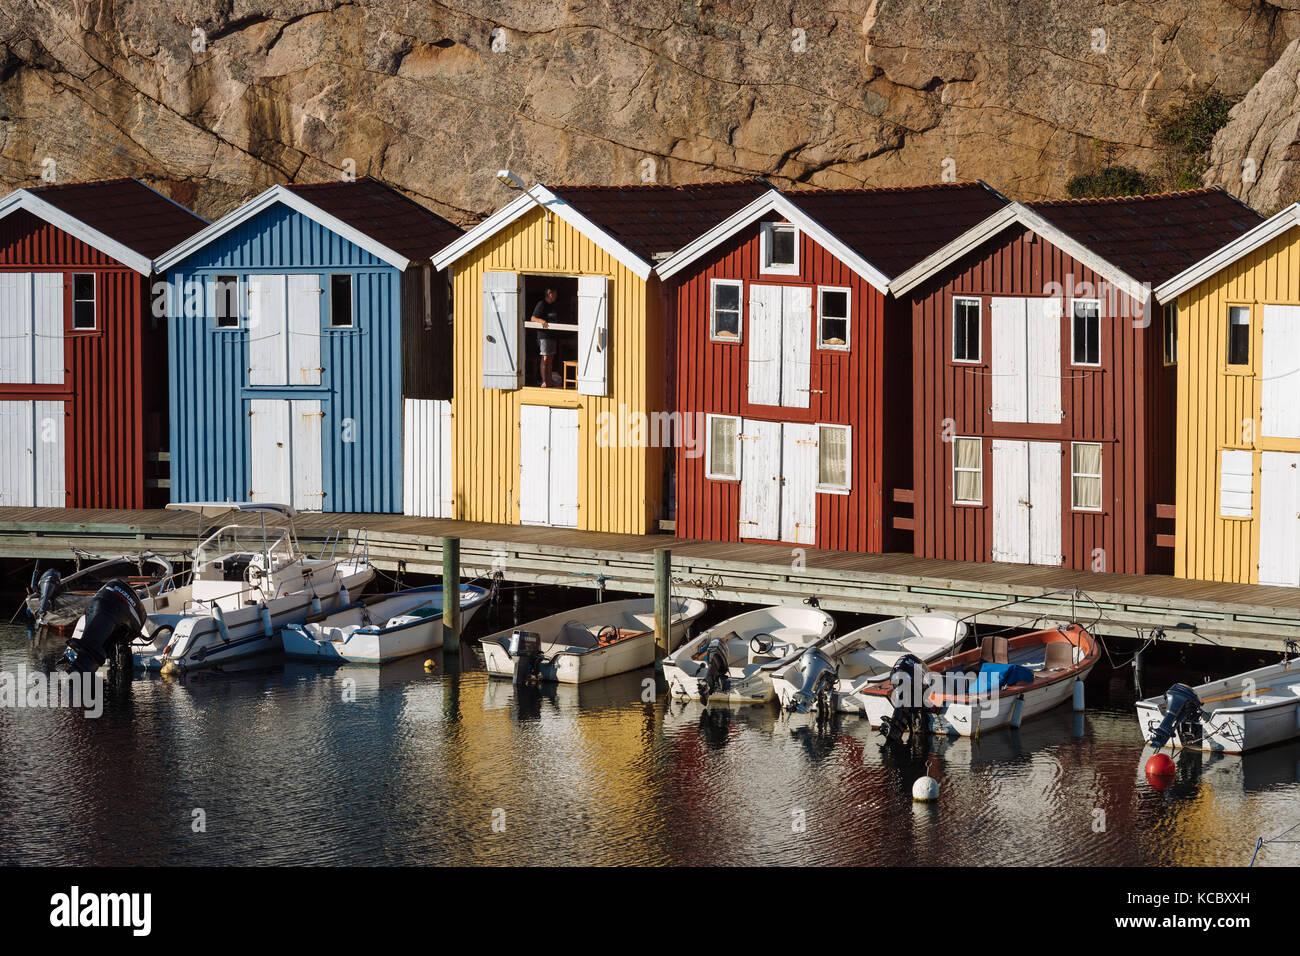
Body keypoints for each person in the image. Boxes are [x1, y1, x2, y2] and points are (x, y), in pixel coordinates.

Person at [531, 288, 560, 387]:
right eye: (555, 294)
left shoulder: (554, 306)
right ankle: (544, 381)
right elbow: (533, 318)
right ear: (550, 294)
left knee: (551, 358)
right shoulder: (541, 304)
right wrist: (541, 321)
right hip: (544, 336)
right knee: (545, 358)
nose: (556, 296)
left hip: (552, 335)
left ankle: (550, 380)